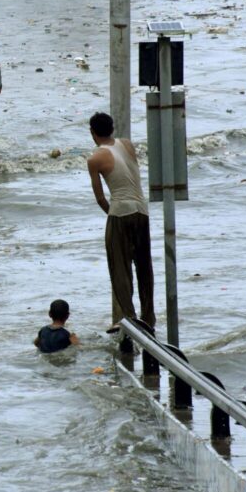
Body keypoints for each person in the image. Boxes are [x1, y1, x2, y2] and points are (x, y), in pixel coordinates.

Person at [86, 112, 156, 332]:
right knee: (144, 266)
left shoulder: (95, 158)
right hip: (142, 210)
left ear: (92, 132)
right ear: (112, 129)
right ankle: (149, 316)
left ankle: (129, 317)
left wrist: (111, 214)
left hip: (120, 212)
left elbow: (100, 197)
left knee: (120, 269)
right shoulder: (127, 145)